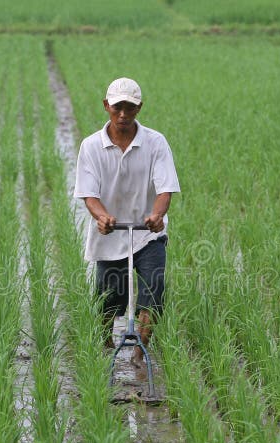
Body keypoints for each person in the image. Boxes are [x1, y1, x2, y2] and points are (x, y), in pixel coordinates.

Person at [74, 77, 180, 368]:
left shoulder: (155, 143)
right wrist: (101, 216)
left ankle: (138, 356)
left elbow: (165, 188)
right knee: (110, 298)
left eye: (130, 108)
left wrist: (157, 215)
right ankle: (105, 344)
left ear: (139, 108)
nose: (123, 115)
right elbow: (88, 192)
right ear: (106, 106)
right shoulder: (92, 146)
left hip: (148, 234)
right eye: (117, 107)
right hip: (110, 233)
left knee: (153, 290)